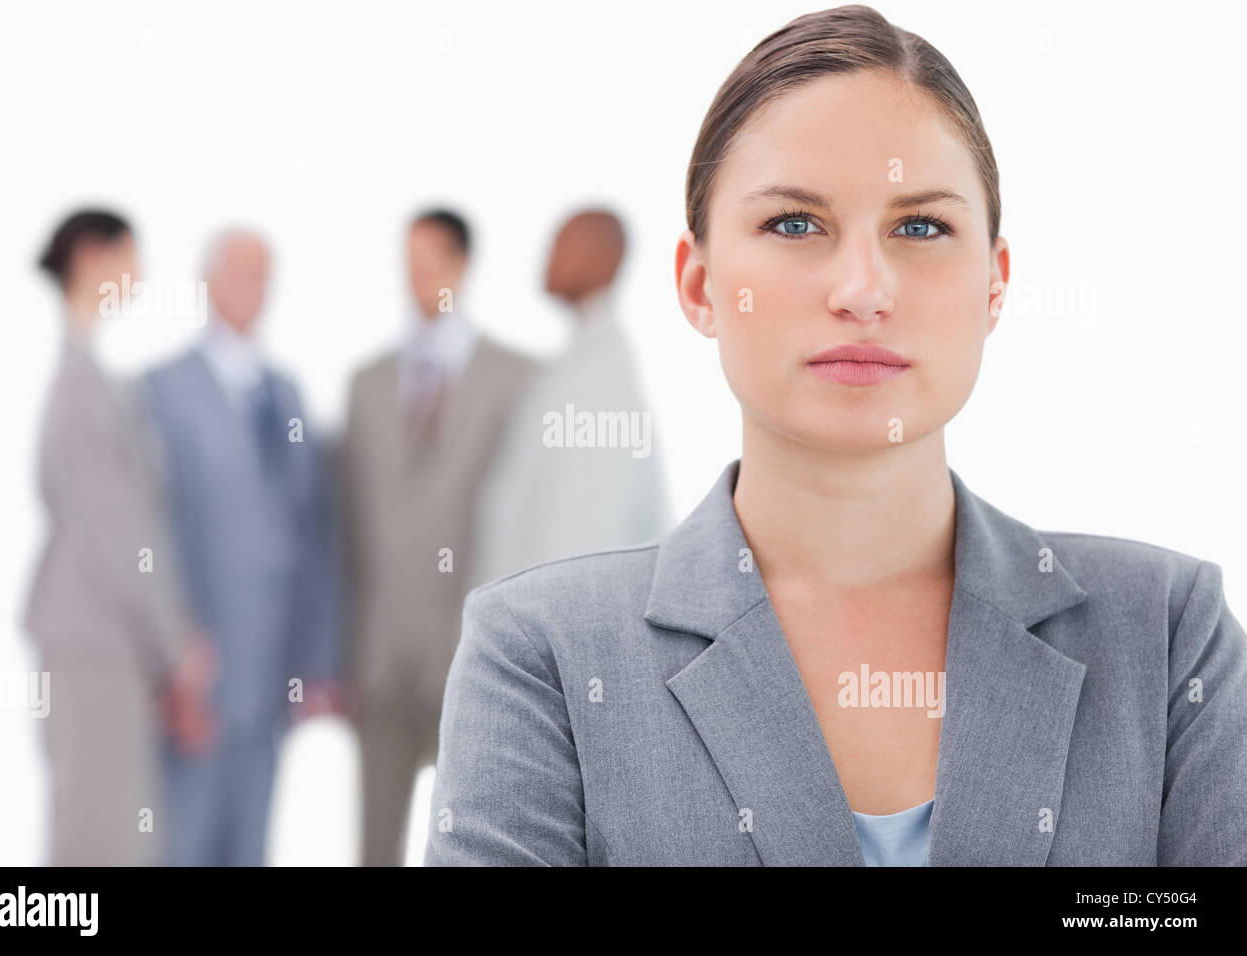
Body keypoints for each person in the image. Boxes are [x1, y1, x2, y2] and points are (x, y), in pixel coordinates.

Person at [425, 5, 1247, 866]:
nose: (863, 289)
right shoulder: (539, 653)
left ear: (995, 285)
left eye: (920, 227)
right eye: (794, 224)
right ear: (700, 285)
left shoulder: (1165, 635)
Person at [341, 208, 539, 866]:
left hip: (474, 655)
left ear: (461, 267)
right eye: (408, 263)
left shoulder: (519, 379)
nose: (416, 279)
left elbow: (529, 521)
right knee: (374, 843)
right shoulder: (366, 383)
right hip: (379, 659)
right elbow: (349, 530)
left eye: (429, 263)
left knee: (477, 844)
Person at [140, 229, 344, 866]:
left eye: (264, 275)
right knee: (187, 843)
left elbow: (314, 533)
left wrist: (317, 659)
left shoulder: (284, 391)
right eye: (240, 273)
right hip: (197, 671)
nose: (253, 289)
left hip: (271, 675)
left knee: (249, 849)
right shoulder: (161, 389)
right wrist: (169, 653)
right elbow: (150, 535)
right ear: (207, 282)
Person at [24, 209, 215, 866]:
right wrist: (176, 645)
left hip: (103, 645)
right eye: (128, 257)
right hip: (94, 645)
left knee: (106, 834)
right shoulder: (82, 388)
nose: (139, 274)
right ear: (89, 256)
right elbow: (121, 537)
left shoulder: (93, 377)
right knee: (97, 846)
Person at [469, 208, 674, 588]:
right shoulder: (577, 366)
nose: (548, 256)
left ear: (603, 258)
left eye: (562, 244)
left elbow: (582, 538)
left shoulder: (600, 382)